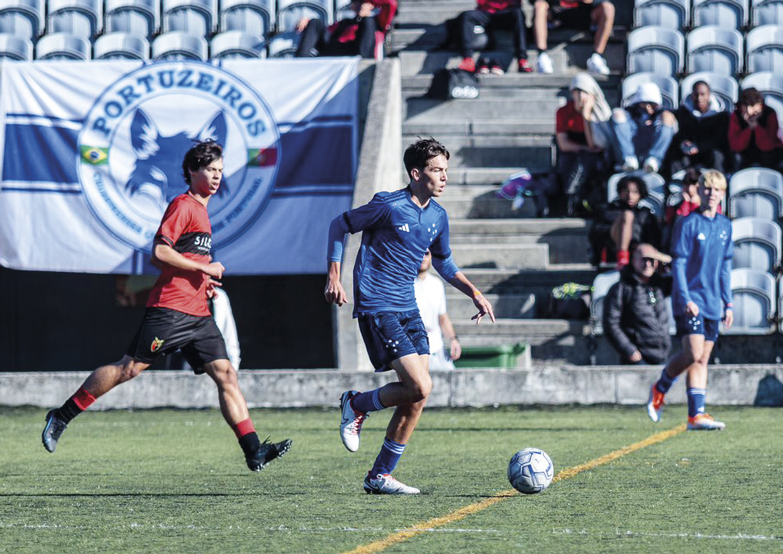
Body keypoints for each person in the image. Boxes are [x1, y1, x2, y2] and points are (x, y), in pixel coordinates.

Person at [41, 140, 291, 470]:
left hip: (198, 313)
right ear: (191, 171)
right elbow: (160, 252)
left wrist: (204, 282)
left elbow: (184, 259)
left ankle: (254, 449)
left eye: (220, 170)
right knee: (128, 369)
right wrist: (205, 267)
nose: (217, 177)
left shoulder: (202, 210)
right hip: (170, 310)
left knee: (226, 374)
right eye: (210, 170)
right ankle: (61, 416)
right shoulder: (183, 205)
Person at [325, 138, 495, 494]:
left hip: (408, 307)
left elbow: (445, 263)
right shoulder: (388, 205)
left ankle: (380, 475)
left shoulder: (438, 216)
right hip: (377, 304)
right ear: (416, 173)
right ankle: (355, 404)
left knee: (418, 396)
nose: (444, 177)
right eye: (437, 170)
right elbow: (339, 226)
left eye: (446, 171)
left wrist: (474, 293)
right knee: (420, 385)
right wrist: (334, 276)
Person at [646, 169, 733, 431]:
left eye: (717, 189)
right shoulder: (687, 223)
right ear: (700, 191)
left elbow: (725, 267)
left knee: (702, 359)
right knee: (693, 352)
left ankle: (696, 415)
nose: (711, 193)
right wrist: (685, 297)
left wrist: (728, 303)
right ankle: (660, 387)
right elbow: (679, 265)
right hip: (690, 300)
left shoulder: (725, 225)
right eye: (707, 188)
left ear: (723, 194)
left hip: (713, 302)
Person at [603, 243, 672, 365]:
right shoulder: (621, 288)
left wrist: (662, 258)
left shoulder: (658, 286)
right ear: (633, 260)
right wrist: (629, 351)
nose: (647, 264)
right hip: (638, 359)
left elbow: (684, 272)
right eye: (643, 259)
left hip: (662, 357)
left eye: (651, 260)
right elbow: (610, 323)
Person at [555, 72, 612, 214]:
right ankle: (570, 200)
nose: (580, 97)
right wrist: (584, 148)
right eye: (577, 92)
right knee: (570, 164)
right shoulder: (563, 112)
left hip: (591, 154)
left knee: (588, 162)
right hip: (572, 150)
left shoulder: (598, 114)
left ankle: (579, 200)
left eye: (584, 92)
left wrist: (586, 115)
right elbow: (563, 144)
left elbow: (594, 144)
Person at [589, 174, 661, 269]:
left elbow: (653, 238)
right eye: (626, 191)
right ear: (620, 192)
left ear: (640, 194)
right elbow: (595, 233)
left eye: (635, 192)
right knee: (627, 215)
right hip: (612, 249)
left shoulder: (645, 213)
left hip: (638, 253)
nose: (630, 196)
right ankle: (622, 258)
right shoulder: (608, 210)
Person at [664, 80, 730, 177]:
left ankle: (717, 183)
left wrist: (699, 146)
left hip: (709, 151)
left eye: (703, 94)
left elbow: (719, 139)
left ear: (709, 95)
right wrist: (684, 142)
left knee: (717, 155)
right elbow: (679, 133)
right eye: (696, 94)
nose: (699, 98)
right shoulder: (683, 113)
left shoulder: (721, 116)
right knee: (675, 154)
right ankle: (676, 185)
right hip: (689, 152)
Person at [609, 83, 677, 174]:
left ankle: (654, 159)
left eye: (652, 104)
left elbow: (673, 130)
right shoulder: (628, 114)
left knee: (668, 118)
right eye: (645, 103)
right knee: (617, 114)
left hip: (653, 161)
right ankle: (628, 159)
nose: (649, 107)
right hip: (629, 158)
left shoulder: (662, 115)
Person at [532, 0, 615, 75]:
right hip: (556, 12)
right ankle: (541, 55)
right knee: (540, 5)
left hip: (584, 13)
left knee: (608, 8)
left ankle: (597, 56)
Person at [294, 0, 397, 59]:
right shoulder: (345, 22)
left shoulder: (377, 22)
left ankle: (363, 62)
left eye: (363, 2)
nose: (360, 5)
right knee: (315, 22)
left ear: (371, 5)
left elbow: (391, 4)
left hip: (358, 52)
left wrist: (371, 1)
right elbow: (326, 32)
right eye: (357, 2)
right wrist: (307, 21)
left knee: (367, 21)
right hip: (335, 50)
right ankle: (301, 62)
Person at [456, 0, 534, 74]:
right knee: (467, 15)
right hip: (486, 11)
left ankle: (522, 59)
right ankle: (467, 59)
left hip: (507, 12)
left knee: (518, 13)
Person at [414, 250, 462, 370]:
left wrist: (453, 339)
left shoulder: (437, 284)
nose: (423, 257)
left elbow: (442, 317)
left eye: (426, 253)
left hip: (436, 348)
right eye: (418, 252)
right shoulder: (403, 284)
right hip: (413, 350)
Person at [728, 87, 783, 172]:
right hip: (746, 151)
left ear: (759, 104)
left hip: (767, 151)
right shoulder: (736, 115)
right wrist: (748, 129)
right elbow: (735, 146)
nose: (748, 110)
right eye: (745, 105)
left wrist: (757, 127)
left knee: (768, 156)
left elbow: (768, 145)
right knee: (736, 157)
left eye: (751, 105)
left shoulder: (770, 114)